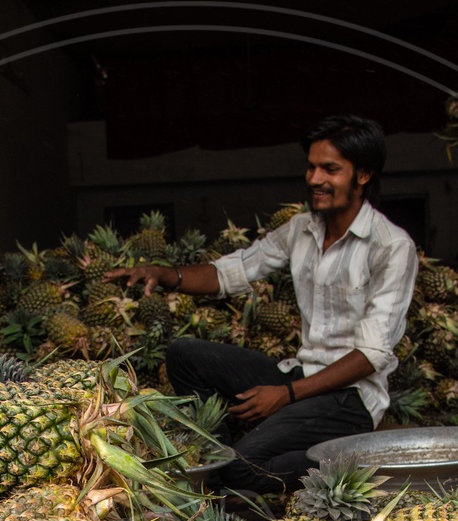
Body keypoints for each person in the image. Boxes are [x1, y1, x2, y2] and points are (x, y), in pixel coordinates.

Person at [106, 114, 417, 495]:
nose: (314, 178)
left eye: (330, 169)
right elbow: (232, 271)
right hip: (301, 374)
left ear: (363, 175)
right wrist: (164, 273)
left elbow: (371, 355)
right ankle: (218, 468)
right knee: (185, 354)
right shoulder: (302, 229)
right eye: (311, 167)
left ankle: (357, 460)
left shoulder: (391, 246)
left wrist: (286, 396)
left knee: (244, 468)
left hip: (350, 398)